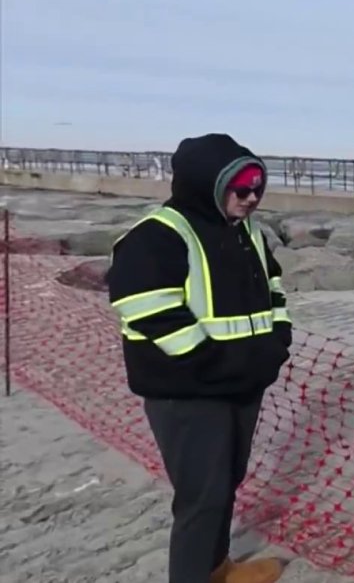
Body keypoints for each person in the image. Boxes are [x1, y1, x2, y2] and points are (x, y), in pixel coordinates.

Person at [107, 133, 292, 583]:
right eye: (241, 189)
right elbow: (146, 307)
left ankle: (218, 568)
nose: (251, 199)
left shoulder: (246, 229)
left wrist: (278, 340)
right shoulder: (157, 235)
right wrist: (214, 363)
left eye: (257, 189)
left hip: (243, 385)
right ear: (207, 184)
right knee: (201, 498)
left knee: (226, 481)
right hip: (188, 392)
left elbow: (274, 287)